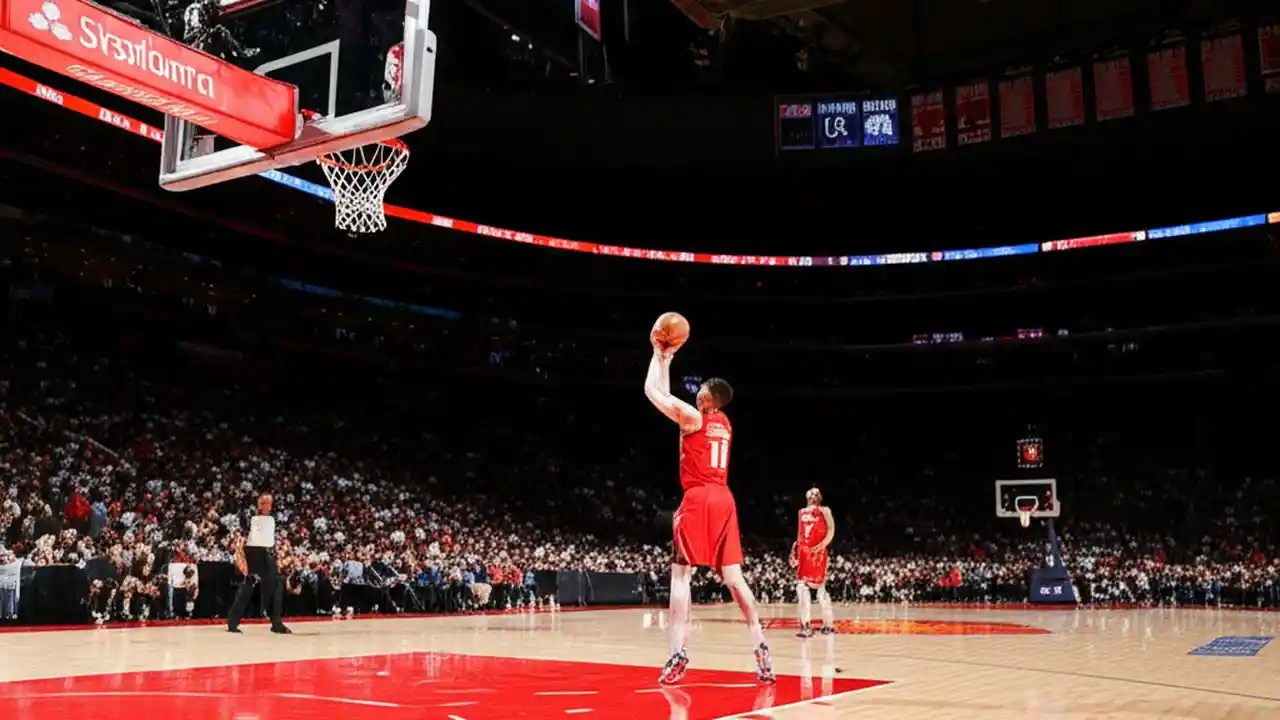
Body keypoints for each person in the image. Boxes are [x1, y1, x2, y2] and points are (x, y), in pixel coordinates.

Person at [643, 334, 774, 685]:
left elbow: (654, 393)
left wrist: (662, 356)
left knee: (680, 576)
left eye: (700, 390)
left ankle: (676, 652)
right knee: (734, 578)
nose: (696, 393)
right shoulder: (725, 424)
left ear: (707, 398)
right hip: (724, 498)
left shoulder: (694, 418)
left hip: (699, 497)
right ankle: (761, 649)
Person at [227, 493, 290, 634]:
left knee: (252, 584)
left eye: (270, 502)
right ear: (261, 504)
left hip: (259, 551)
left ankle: (233, 621)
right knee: (273, 584)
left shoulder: (265, 519)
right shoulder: (258, 518)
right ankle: (276, 623)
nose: (270, 505)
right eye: (267, 502)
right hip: (258, 551)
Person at [790, 487, 836, 637]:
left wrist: (822, 545)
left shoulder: (825, 510)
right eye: (811, 492)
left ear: (820, 497)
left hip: (819, 554)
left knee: (821, 589)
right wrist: (795, 551)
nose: (813, 494)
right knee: (801, 588)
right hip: (804, 553)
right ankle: (805, 625)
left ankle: (828, 623)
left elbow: (831, 529)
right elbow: (799, 533)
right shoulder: (801, 512)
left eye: (816, 493)